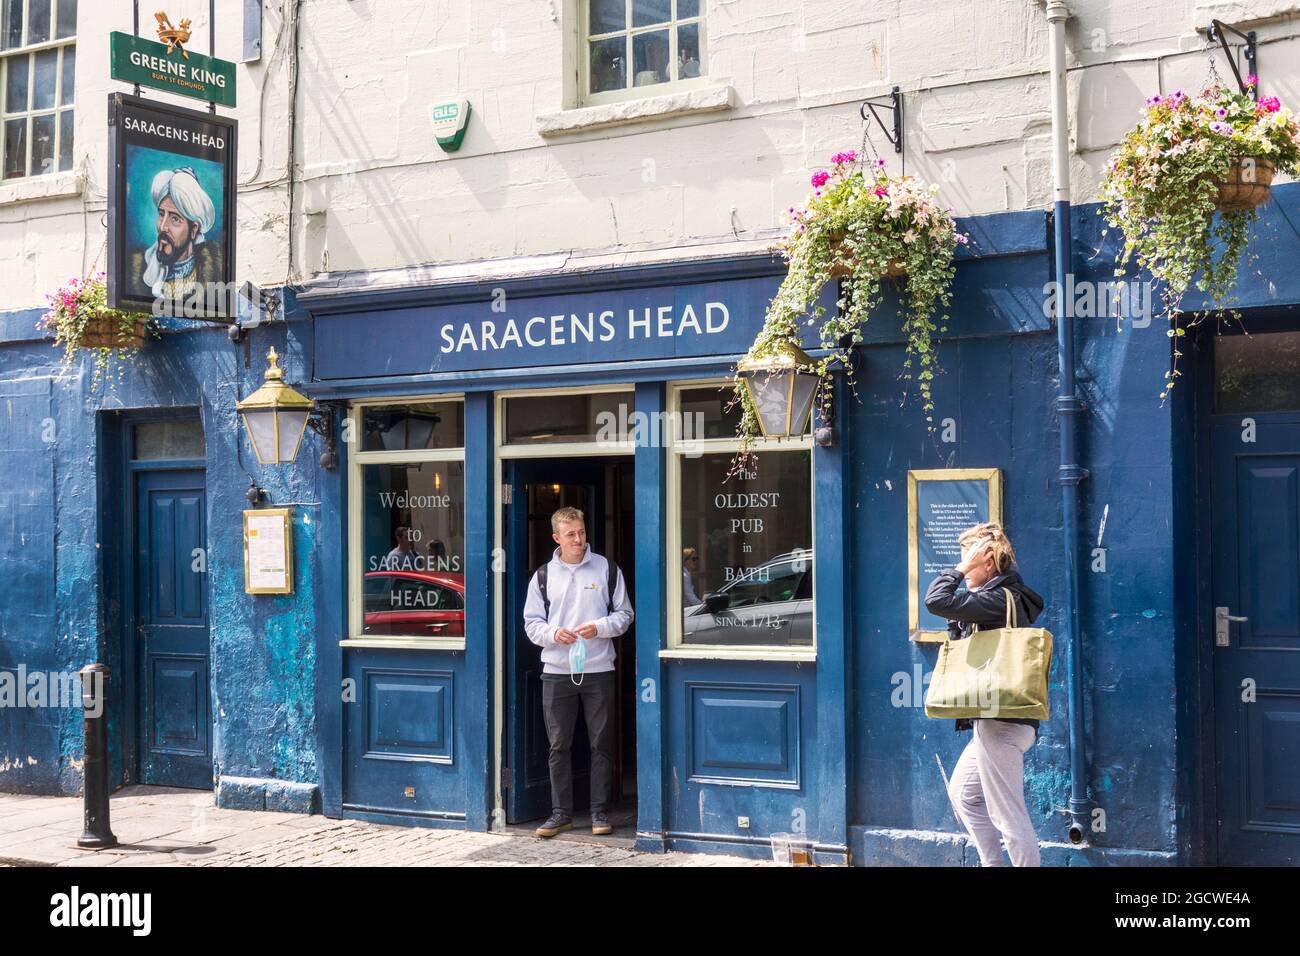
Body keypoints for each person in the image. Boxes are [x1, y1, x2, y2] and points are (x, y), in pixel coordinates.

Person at [924, 522, 1045, 867]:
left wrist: (960, 570)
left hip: (1001, 723)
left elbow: (936, 599)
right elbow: (953, 622)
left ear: (988, 561)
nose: (961, 564)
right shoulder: (994, 602)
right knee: (964, 795)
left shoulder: (996, 600)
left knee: (1009, 816)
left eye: (968, 556)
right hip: (996, 722)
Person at [523, 506, 633, 838]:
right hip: (556, 670)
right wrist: (553, 634)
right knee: (559, 745)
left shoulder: (606, 569)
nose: (579, 540)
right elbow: (531, 624)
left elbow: (625, 615)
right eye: (571, 534)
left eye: (582, 532)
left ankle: (599, 812)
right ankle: (561, 814)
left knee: (601, 742)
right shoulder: (543, 576)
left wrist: (599, 627)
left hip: (598, 668)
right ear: (556, 537)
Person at [129, 167, 223, 304]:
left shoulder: (215, 272)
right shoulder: (137, 268)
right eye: (161, 214)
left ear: (194, 229)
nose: (163, 227)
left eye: (175, 219)